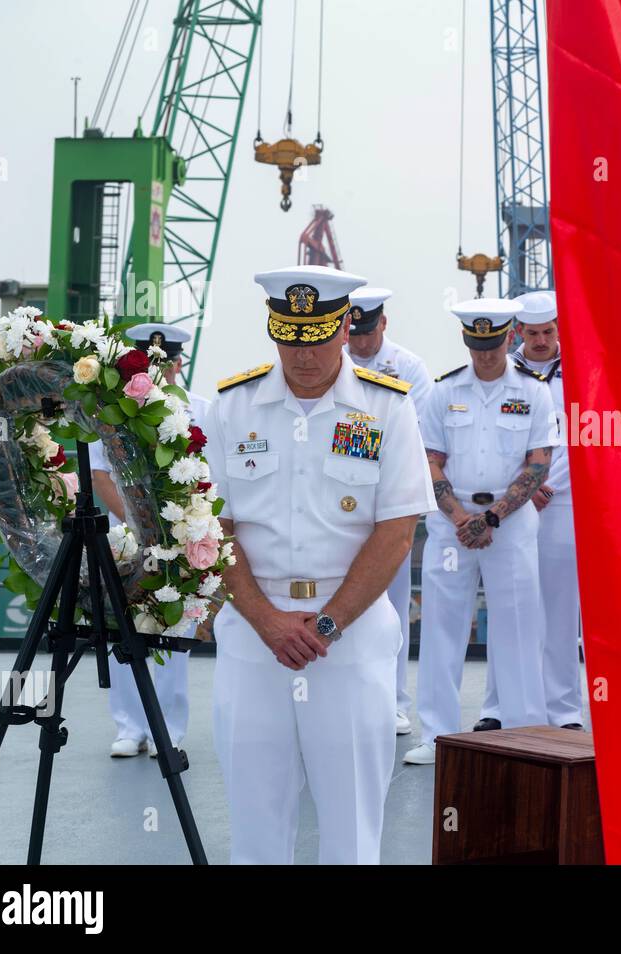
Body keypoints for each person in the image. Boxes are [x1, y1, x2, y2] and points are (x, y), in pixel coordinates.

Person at [202, 265, 434, 864]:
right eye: (289, 339)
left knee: (351, 825)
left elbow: (397, 530)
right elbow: (212, 528)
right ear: (274, 332)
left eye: (316, 339)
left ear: (344, 329)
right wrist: (265, 620)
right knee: (254, 822)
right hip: (254, 636)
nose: (303, 355)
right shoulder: (231, 407)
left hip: (349, 638)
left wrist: (326, 625)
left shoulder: (385, 409)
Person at [402, 298, 557, 765]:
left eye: (492, 345)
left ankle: (524, 731)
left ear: (509, 337)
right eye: (477, 345)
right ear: (466, 341)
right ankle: (438, 735)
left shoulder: (533, 392)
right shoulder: (442, 391)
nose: (485, 355)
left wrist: (491, 519)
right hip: (452, 523)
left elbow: (538, 464)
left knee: (519, 628)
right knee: (441, 629)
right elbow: (430, 460)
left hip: (509, 523)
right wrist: (460, 519)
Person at [90, 322, 210, 758]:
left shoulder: (202, 409)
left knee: (175, 628)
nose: (159, 373)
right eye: (149, 366)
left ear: (178, 364)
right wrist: (141, 525)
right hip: (126, 537)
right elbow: (100, 475)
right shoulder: (112, 412)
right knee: (123, 627)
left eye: (166, 364)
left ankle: (169, 728)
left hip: (181, 536)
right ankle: (129, 726)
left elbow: (211, 474)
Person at [477, 290, 584, 731]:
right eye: (532, 333)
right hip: (512, 505)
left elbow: (591, 436)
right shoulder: (500, 373)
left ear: (559, 330)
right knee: (509, 606)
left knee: (561, 611)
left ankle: (563, 711)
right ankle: (496, 708)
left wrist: (550, 484)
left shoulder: (583, 372)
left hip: (563, 503)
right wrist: (522, 488)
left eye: (548, 332)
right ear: (518, 331)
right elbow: (488, 438)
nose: (540, 341)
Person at [345, 286, 432, 736]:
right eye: (353, 333)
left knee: (393, 606)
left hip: (389, 501)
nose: (360, 343)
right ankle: (348, 697)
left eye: (367, 332)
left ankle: (395, 701)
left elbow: (416, 433)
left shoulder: (409, 367)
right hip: (341, 498)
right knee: (340, 599)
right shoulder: (333, 360)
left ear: (383, 323)